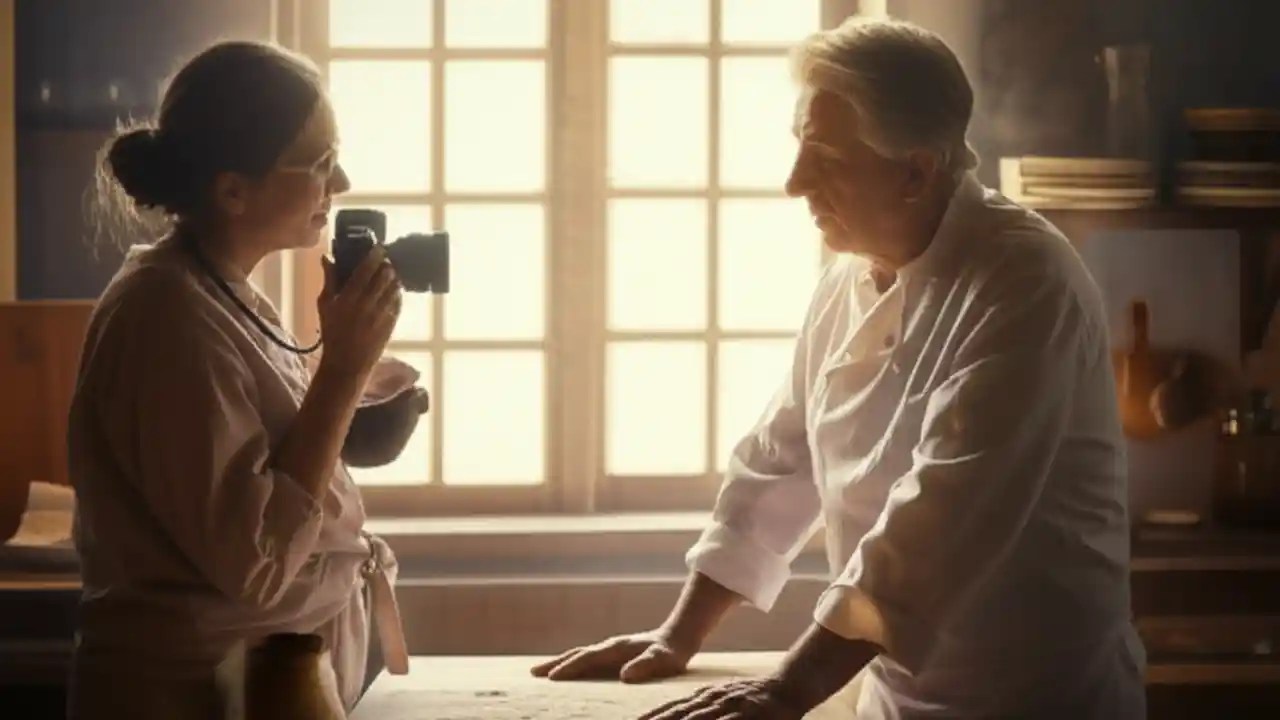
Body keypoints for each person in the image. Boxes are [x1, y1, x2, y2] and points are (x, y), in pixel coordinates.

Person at [532, 16, 1145, 720]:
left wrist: (787, 688)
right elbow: (779, 458)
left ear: (916, 170)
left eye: (822, 158)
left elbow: (936, 524)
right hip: (897, 696)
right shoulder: (850, 272)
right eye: (799, 148)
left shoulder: (1025, 282)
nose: (794, 183)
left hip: (1038, 698)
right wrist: (677, 636)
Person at [67, 41, 419, 719]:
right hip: (195, 695)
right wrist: (340, 373)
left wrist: (350, 390)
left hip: (257, 682)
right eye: (319, 164)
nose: (339, 183)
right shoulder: (166, 317)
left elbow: (268, 470)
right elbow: (256, 560)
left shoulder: (217, 290)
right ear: (233, 189)